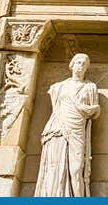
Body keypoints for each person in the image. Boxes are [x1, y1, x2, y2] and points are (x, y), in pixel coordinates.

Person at [36, 53, 100, 196]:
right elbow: (56, 109)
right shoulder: (58, 87)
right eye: (78, 62)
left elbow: (95, 111)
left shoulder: (90, 87)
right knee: (55, 166)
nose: (81, 66)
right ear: (71, 65)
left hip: (77, 130)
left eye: (84, 64)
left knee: (77, 169)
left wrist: (90, 109)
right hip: (57, 129)